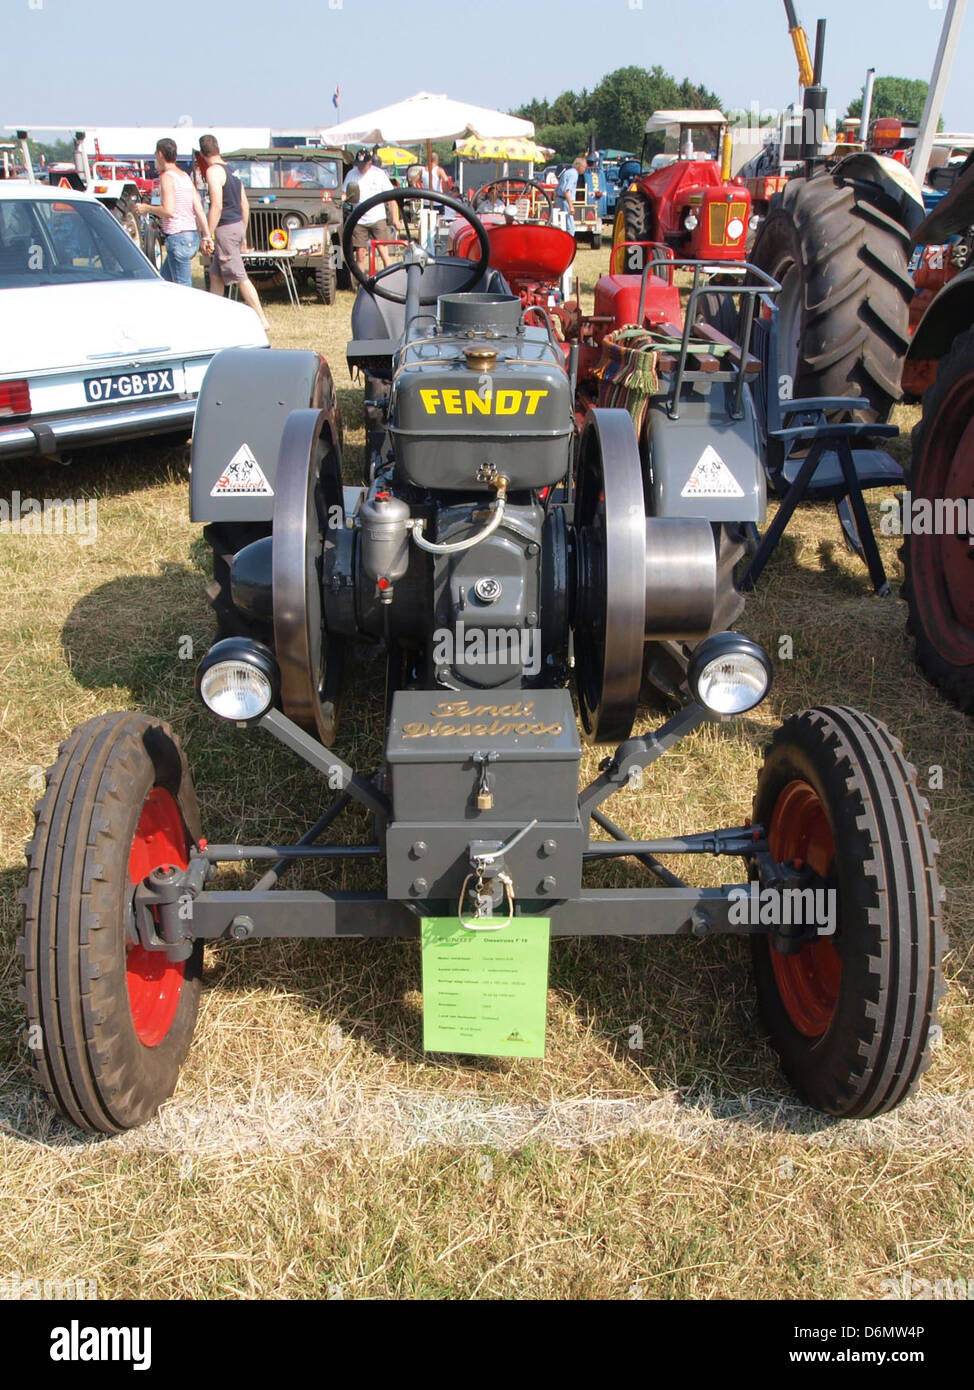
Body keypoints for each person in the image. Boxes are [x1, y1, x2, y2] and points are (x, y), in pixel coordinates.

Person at [198, 133, 269, 331]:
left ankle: (262, 319)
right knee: (216, 276)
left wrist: (207, 235)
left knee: (239, 276)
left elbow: (217, 206)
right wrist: (243, 234)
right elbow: (245, 205)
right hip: (236, 226)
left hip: (225, 229)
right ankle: (213, 319)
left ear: (202, 154)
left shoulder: (213, 171)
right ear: (218, 149)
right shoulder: (233, 171)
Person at [134, 138, 211, 288]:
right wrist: (207, 235)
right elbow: (199, 208)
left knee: (182, 287)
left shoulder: (166, 177)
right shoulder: (184, 176)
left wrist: (146, 208)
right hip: (191, 235)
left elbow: (168, 210)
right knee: (164, 283)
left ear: (160, 154)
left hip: (177, 237)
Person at [342, 149, 403, 272]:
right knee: (360, 254)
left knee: (383, 251)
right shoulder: (351, 174)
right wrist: (340, 200)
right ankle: (362, 283)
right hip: (358, 219)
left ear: (370, 163)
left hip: (377, 218)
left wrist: (395, 219)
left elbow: (392, 198)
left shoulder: (379, 174)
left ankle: (389, 280)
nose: (360, 168)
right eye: (358, 165)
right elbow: (344, 194)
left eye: (363, 165)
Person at [555, 156, 587, 236]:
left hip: (560, 199)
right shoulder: (574, 174)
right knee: (570, 227)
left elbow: (557, 189)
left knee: (563, 225)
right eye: (584, 167)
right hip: (565, 201)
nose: (584, 169)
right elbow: (567, 190)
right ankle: (570, 245)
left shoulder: (567, 172)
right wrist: (571, 206)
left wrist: (556, 202)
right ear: (580, 166)